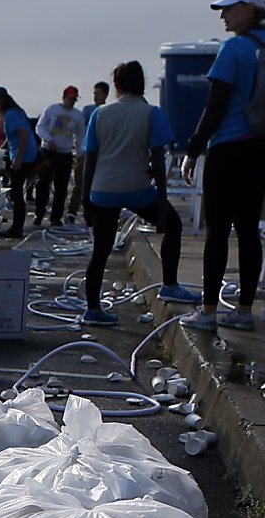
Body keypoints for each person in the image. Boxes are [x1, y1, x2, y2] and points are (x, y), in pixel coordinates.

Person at [182, 0, 265, 330]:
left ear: (248, 8)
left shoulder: (233, 49)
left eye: (228, 8)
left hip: (228, 148)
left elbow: (215, 106)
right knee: (250, 230)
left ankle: (208, 312)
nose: (223, 14)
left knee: (218, 231)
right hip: (263, 148)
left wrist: (193, 149)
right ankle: (244, 311)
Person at [77, 60, 201, 324]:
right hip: (137, 190)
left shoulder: (99, 113)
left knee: (100, 250)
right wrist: (162, 205)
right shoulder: (151, 113)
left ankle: (93, 310)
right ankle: (169, 285)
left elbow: (90, 160)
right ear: (141, 84)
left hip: (102, 191)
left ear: (116, 85)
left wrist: (85, 200)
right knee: (175, 226)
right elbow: (158, 161)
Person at [0, 87, 39, 238]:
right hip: (21, 154)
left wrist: (18, 158)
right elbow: (12, 137)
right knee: (15, 192)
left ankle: (16, 228)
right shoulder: (16, 112)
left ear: (1, 101)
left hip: (23, 156)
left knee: (16, 193)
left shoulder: (11, 114)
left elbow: (23, 136)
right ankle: (16, 227)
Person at [34, 86, 84, 225]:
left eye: (74, 99)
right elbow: (40, 127)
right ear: (64, 98)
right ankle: (39, 212)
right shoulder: (52, 109)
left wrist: (80, 151)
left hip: (65, 153)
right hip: (48, 151)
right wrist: (48, 139)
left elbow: (80, 135)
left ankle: (56, 217)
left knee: (61, 187)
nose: (72, 102)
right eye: (70, 99)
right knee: (43, 183)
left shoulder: (77, 115)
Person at [70, 81, 110, 216]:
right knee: (79, 184)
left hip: (102, 153)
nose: (95, 96)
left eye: (98, 93)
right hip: (85, 151)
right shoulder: (88, 110)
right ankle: (72, 211)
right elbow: (81, 130)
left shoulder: (109, 111)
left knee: (98, 184)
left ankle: (94, 213)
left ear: (105, 94)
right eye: (94, 93)